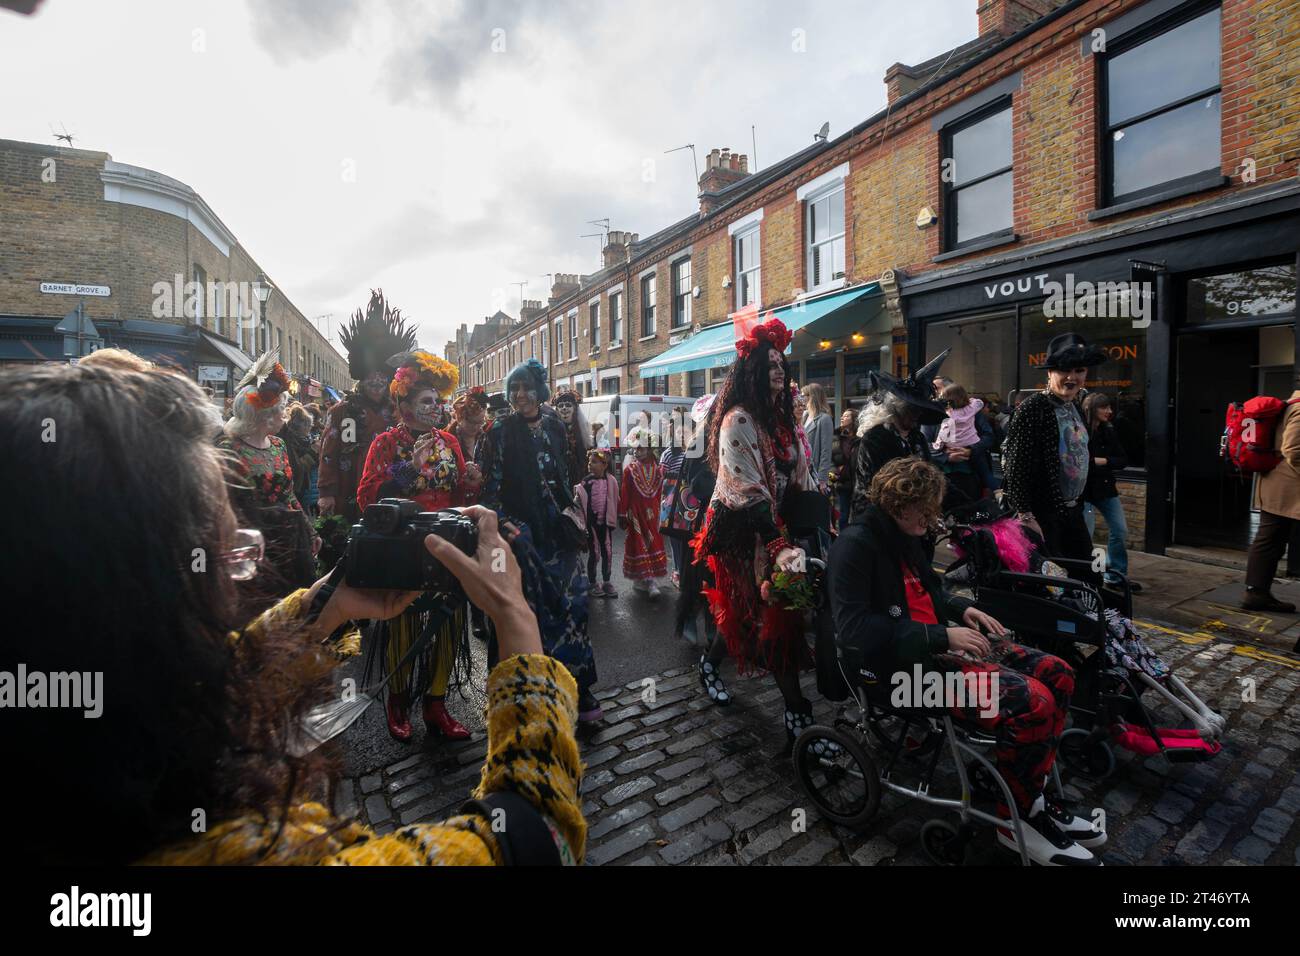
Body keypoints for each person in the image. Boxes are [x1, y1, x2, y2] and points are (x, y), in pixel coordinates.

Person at [1, 360, 585, 864]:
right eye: (226, 558)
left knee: (441, 646)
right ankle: (403, 703)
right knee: (407, 646)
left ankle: (435, 702)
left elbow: (206, 689)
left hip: (430, 562)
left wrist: (319, 610)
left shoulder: (106, 718)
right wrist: (518, 622)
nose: (236, 572)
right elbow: (537, 834)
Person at [829, 457, 1102, 866]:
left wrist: (961, 611)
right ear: (899, 507)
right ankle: (1015, 820)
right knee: (1033, 703)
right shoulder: (854, 546)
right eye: (925, 509)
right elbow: (853, 631)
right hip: (898, 674)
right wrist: (941, 635)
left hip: (938, 648)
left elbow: (930, 593)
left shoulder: (906, 536)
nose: (933, 518)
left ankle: (1030, 799)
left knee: (1059, 674)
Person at [691, 316, 824, 744]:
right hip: (742, 536)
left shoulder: (786, 424)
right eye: (770, 366)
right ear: (751, 372)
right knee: (769, 618)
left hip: (779, 534)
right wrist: (777, 544)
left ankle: (711, 663)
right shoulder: (738, 421)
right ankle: (797, 715)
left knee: (760, 621)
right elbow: (747, 492)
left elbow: (804, 479)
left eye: (782, 366)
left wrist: (825, 521)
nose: (778, 373)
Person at [355, 350, 472, 743]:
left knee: (450, 623)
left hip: (447, 544)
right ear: (403, 405)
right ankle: (398, 702)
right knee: (404, 625)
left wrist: (472, 480)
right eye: (426, 402)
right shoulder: (385, 445)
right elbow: (367, 499)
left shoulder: (451, 441)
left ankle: (436, 704)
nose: (436, 408)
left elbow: (458, 493)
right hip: (405, 548)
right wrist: (408, 471)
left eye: (438, 402)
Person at [481, 358, 602, 723]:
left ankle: (578, 686)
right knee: (523, 615)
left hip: (557, 533)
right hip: (522, 537)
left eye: (526, 387)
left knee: (574, 606)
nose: (520, 394)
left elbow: (565, 476)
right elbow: (490, 492)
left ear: (539, 390)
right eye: (514, 388)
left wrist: (574, 511)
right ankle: (520, 696)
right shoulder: (498, 430)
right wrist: (507, 525)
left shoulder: (553, 424)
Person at [217, 352, 318, 601]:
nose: (284, 416)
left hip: (287, 541)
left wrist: (310, 532)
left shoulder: (278, 445)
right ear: (265, 415)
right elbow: (222, 506)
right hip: (250, 543)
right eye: (281, 410)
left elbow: (289, 494)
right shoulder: (229, 449)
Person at [1002, 333, 1106, 566]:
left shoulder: (1076, 406)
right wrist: (1026, 516)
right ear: (1050, 373)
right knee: (1055, 581)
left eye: (1079, 370)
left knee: (1087, 575)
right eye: (1063, 370)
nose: (1071, 377)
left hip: (1072, 510)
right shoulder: (1032, 408)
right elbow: (1016, 466)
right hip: (1043, 513)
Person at [318, 290, 416, 524]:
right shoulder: (343, 412)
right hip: (350, 491)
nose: (376, 382)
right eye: (371, 376)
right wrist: (326, 493)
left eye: (382, 377)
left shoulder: (399, 411)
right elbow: (330, 453)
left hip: (391, 490)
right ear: (361, 378)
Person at [848, 350, 951, 523]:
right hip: (879, 524)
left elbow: (931, 475)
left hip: (915, 523)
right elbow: (874, 489)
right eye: (912, 409)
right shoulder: (876, 438)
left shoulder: (917, 438)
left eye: (920, 410)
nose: (917, 415)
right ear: (897, 407)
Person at [1243, 381, 1300, 616]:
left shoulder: (1290, 404)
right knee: (1269, 539)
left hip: (1277, 484)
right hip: (1288, 486)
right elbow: (1294, 450)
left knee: (1271, 539)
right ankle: (1256, 593)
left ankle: (1257, 592)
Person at [1082, 392, 1142, 593]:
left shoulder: (1109, 430)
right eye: (1104, 407)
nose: (1109, 411)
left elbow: (1122, 460)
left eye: (1109, 407)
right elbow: (1079, 462)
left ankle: (1115, 575)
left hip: (1106, 489)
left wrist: (1102, 461)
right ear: (1091, 409)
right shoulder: (1079, 431)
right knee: (1086, 535)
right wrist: (1100, 461)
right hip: (1084, 492)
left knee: (1120, 530)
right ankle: (1089, 576)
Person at [675, 393, 719, 646]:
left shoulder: (720, 438)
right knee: (695, 572)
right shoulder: (699, 443)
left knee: (713, 573)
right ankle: (690, 619)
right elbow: (698, 485)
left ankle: (712, 622)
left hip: (715, 518)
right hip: (698, 521)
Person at [620, 426, 669, 598]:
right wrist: (622, 513)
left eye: (640, 448)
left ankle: (650, 578)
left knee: (653, 542)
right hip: (635, 513)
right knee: (639, 543)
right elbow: (624, 493)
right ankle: (648, 580)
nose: (637, 451)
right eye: (635, 448)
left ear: (649, 449)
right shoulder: (629, 470)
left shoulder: (658, 470)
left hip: (653, 513)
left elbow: (662, 493)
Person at [933, 382, 999, 498]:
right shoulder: (972, 410)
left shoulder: (949, 416)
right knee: (985, 472)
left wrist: (970, 451)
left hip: (965, 462)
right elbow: (979, 403)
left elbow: (989, 436)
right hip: (968, 447)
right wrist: (945, 456)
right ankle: (998, 491)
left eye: (939, 391)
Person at [576, 448, 620, 598]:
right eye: (589, 462)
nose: (590, 465)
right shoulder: (586, 482)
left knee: (607, 551)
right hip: (591, 524)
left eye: (594, 462)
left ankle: (607, 581)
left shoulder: (611, 481)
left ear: (604, 464)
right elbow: (580, 502)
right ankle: (593, 583)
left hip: (605, 524)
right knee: (594, 553)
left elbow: (615, 499)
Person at [448, 386, 491, 504]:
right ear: (460, 418)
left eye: (481, 422)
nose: (477, 427)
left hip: (482, 499)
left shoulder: (486, 437)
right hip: (457, 500)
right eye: (472, 423)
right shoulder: (448, 440)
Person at [658, 430, 687, 587]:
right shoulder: (669, 454)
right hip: (673, 501)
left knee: (679, 537)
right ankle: (678, 571)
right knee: (676, 537)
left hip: (680, 501)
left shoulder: (685, 452)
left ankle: (679, 571)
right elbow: (662, 477)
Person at [552, 389, 590, 490]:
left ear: (575, 408)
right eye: (560, 406)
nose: (564, 408)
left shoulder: (581, 430)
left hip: (579, 476)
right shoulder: (552, 430)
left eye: (568, 405)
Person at [829, 408, 859, 530]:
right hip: (842, 481)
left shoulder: (860, 437)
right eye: (842, 416)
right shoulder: (835, 435)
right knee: (843, 513)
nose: (842, 418)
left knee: (857, 513)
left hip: (857, 481)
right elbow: (830, 456)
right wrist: (835, 474)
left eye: (846, 416)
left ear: (853, 420)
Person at [802, 382, 834, 487]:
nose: (801, 398)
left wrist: (822, 479)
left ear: (812, 397)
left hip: (814, 475)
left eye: (804, 395)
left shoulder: (824, 419)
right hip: (802, 472)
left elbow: (826, 451)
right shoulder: (804, 416)